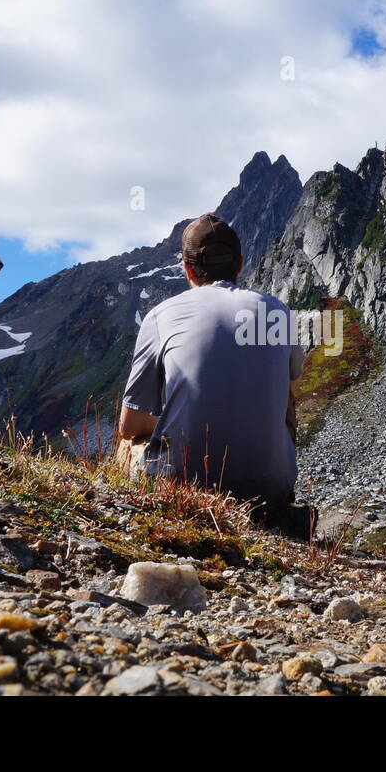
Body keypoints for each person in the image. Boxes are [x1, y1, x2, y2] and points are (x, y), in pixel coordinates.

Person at [118, 213, 312, 538]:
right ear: (240, 264)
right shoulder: (277, 311)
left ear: (187, 268)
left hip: (181, 490)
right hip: (268, 494)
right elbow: (287, 392)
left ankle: (143, 524)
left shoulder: (160, 316)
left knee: (129, 443)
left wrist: (177, 419)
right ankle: (279, 514)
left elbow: (130, 424)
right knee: (286, 403)